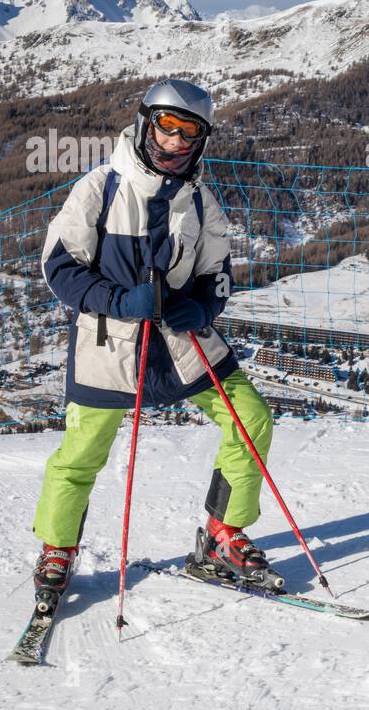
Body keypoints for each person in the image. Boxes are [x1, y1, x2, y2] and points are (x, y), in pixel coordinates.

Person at [32, 79, 280, 605]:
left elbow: (218, 276)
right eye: (167, 126)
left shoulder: (202, 201)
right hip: (109, 345)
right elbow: (58, 269)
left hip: (183, 342)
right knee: (80, 454)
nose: (176, 141)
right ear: (146, 123)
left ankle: (223, 533)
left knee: (251, 416)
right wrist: (120, 302)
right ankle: (58, 547)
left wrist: (204, 305)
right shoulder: (100, 188)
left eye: (189, 130)